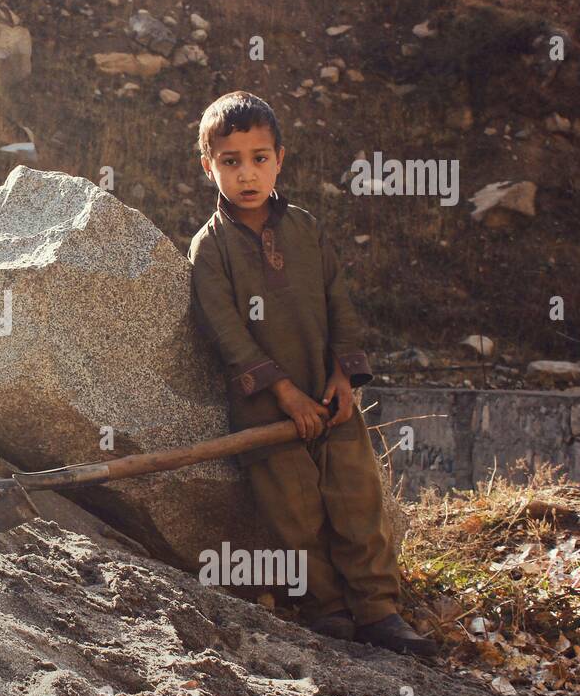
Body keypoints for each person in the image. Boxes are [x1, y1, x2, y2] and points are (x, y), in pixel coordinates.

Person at [186, 90, 436, 658]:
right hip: (265, 410)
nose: (246, 173)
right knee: (296, 514)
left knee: (356, 501)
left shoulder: (306, 230)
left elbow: (339, 306)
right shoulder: (210, 249)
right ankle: (328, 608)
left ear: (280, 158)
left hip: (330, 401)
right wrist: (283, 393)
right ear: (209, 166)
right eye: (230, 161)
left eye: (259, 157)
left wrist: (343, 378)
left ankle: (378, 610)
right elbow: (228, 335)